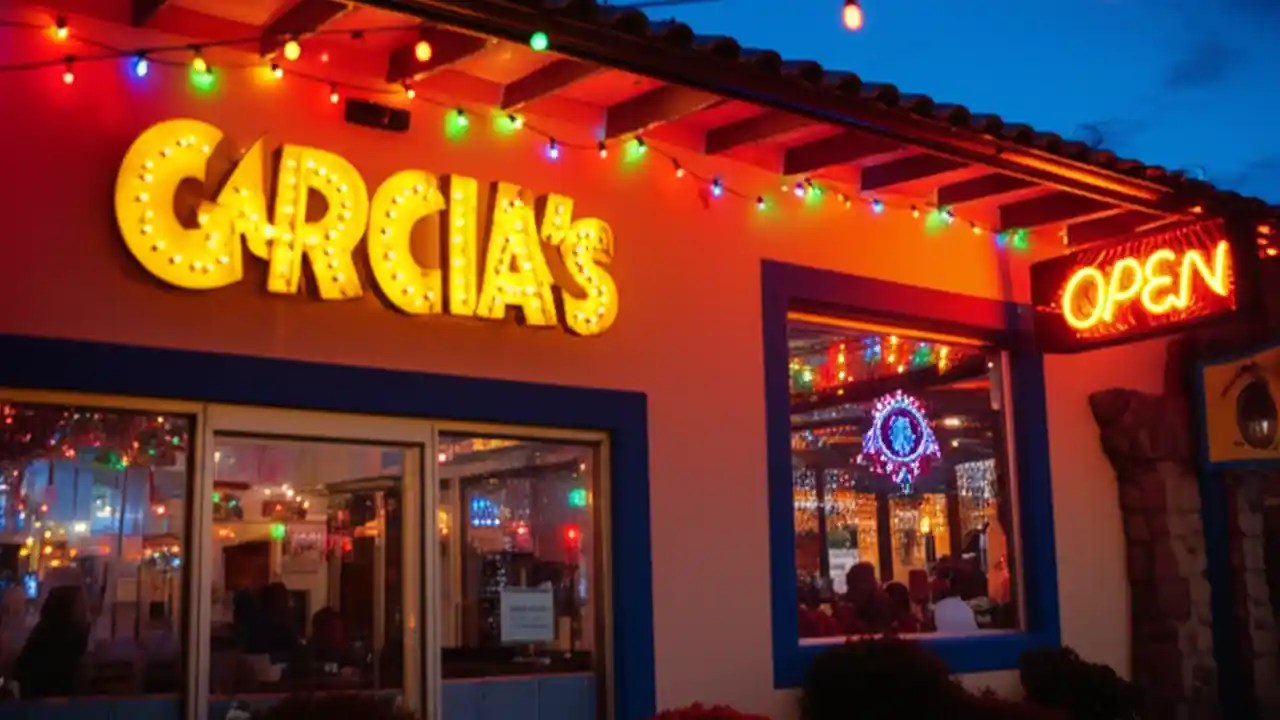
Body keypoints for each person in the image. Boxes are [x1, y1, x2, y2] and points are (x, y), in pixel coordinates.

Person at [14, 586, 91, 698]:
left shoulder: (41, 637)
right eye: (82, 608)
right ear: (66, 609)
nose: (86, 613)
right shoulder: (57, 647)